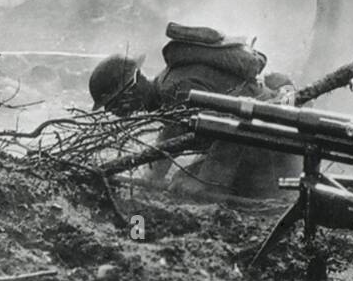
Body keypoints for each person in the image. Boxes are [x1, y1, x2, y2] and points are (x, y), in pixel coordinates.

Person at [89, 23, 298, 199]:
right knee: (182, 183)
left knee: (191, 191)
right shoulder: (167, 88)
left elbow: (228, 129)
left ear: (129, 91)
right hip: (257, 138)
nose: (114, 113)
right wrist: (151, 178)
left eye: (113, 105)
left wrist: (206, 184)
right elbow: (169, 142)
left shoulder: (175, 90)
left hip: (274, 142)